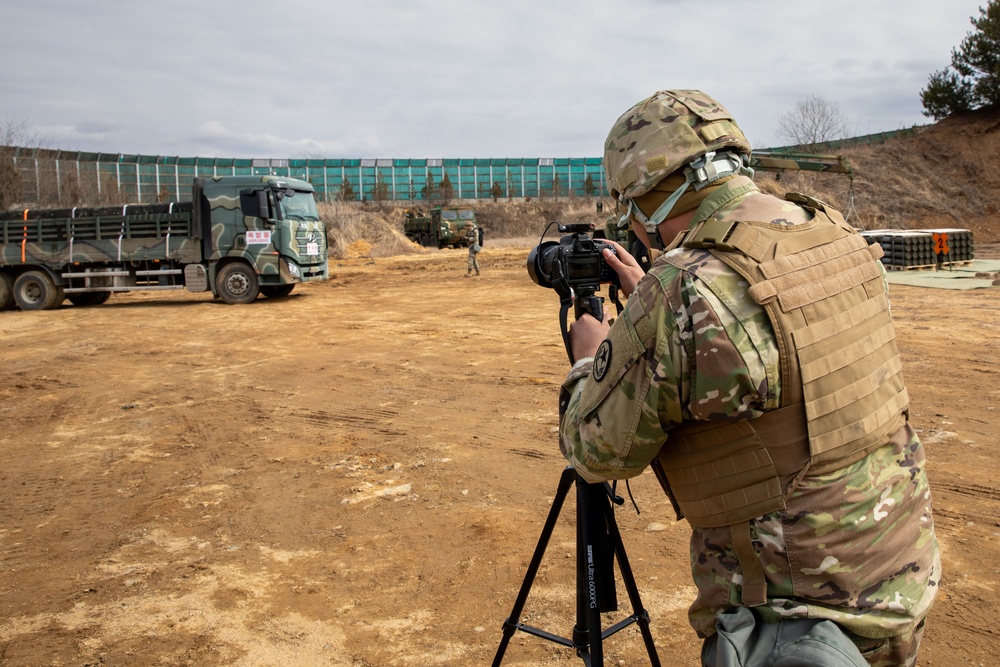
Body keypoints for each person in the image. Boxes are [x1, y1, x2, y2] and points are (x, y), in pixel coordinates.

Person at [558, 90, 939, 667]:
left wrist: (593, 359)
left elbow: (596, 452)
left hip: (794, 621)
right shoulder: (833, 233)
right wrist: (657, 313)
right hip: (896, 576)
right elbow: (783, 358)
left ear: (647, 195)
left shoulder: (683, 289)